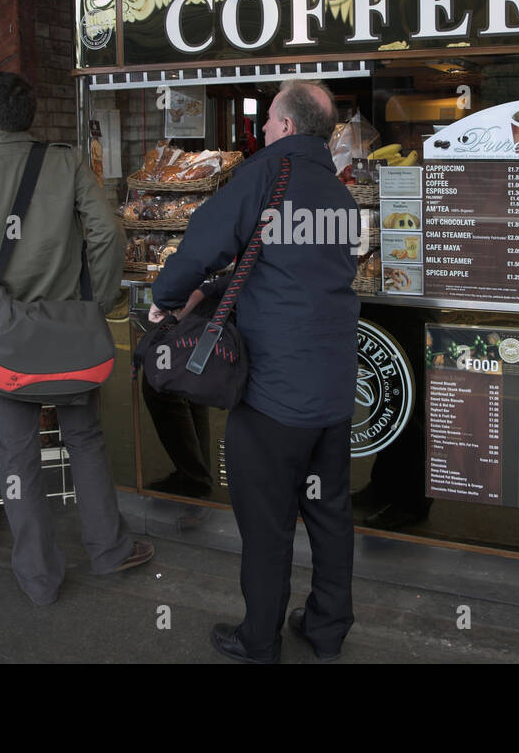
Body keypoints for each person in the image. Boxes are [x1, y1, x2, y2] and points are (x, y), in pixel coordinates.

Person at [0, 72, 152, 606]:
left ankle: (39, 577)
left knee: (17, 455)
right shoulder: (65, 161)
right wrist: (96, 302)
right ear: (28, 117)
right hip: (69, 331)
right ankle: (109, 549)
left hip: (3, 342)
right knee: (85, 441)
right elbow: (108, 233)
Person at [150, 79, 360, 663]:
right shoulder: (342, 199)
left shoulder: (267, 176)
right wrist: (219, 287)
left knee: (266, 522)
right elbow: (293, 272)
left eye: (268, 119)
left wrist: (167, 296)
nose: (263, 128)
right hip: (334, 390)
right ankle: (325, 628)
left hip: (273, 394)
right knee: (329, 512)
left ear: (288, 127)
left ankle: (259, 638)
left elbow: (199, 248)